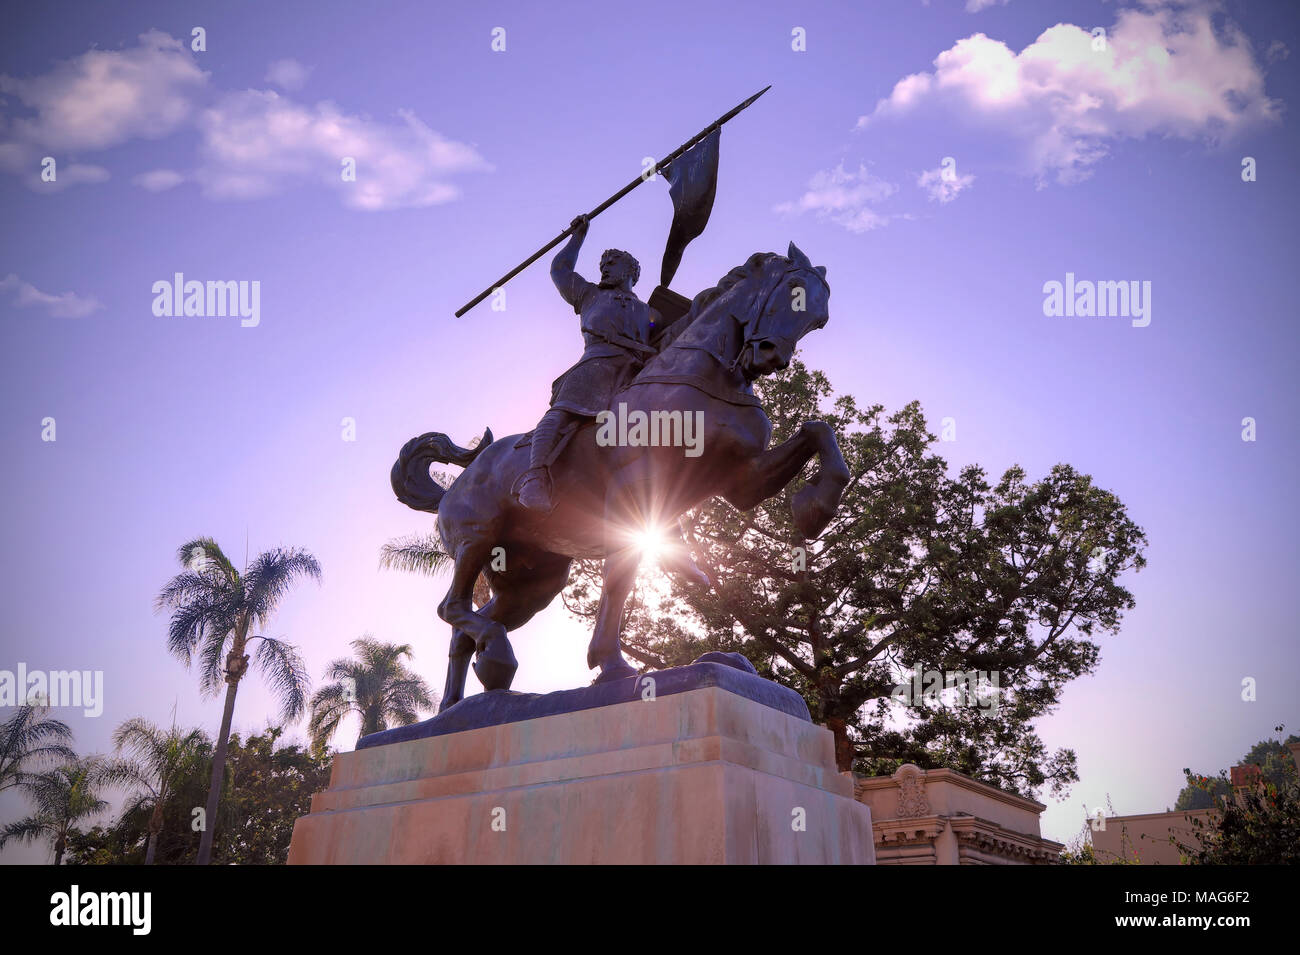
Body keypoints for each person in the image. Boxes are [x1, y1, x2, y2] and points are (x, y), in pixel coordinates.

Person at [516, 214, 659, 511]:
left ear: (632, 271)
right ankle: (536, 477)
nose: (605, 268)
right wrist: (577, 238)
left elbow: (665, 341)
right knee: (560, 415)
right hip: (595, 366)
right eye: (603, 265)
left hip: (635, 372)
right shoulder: (589, 294)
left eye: (613, 263)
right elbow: (560, 269)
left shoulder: (648, 311)